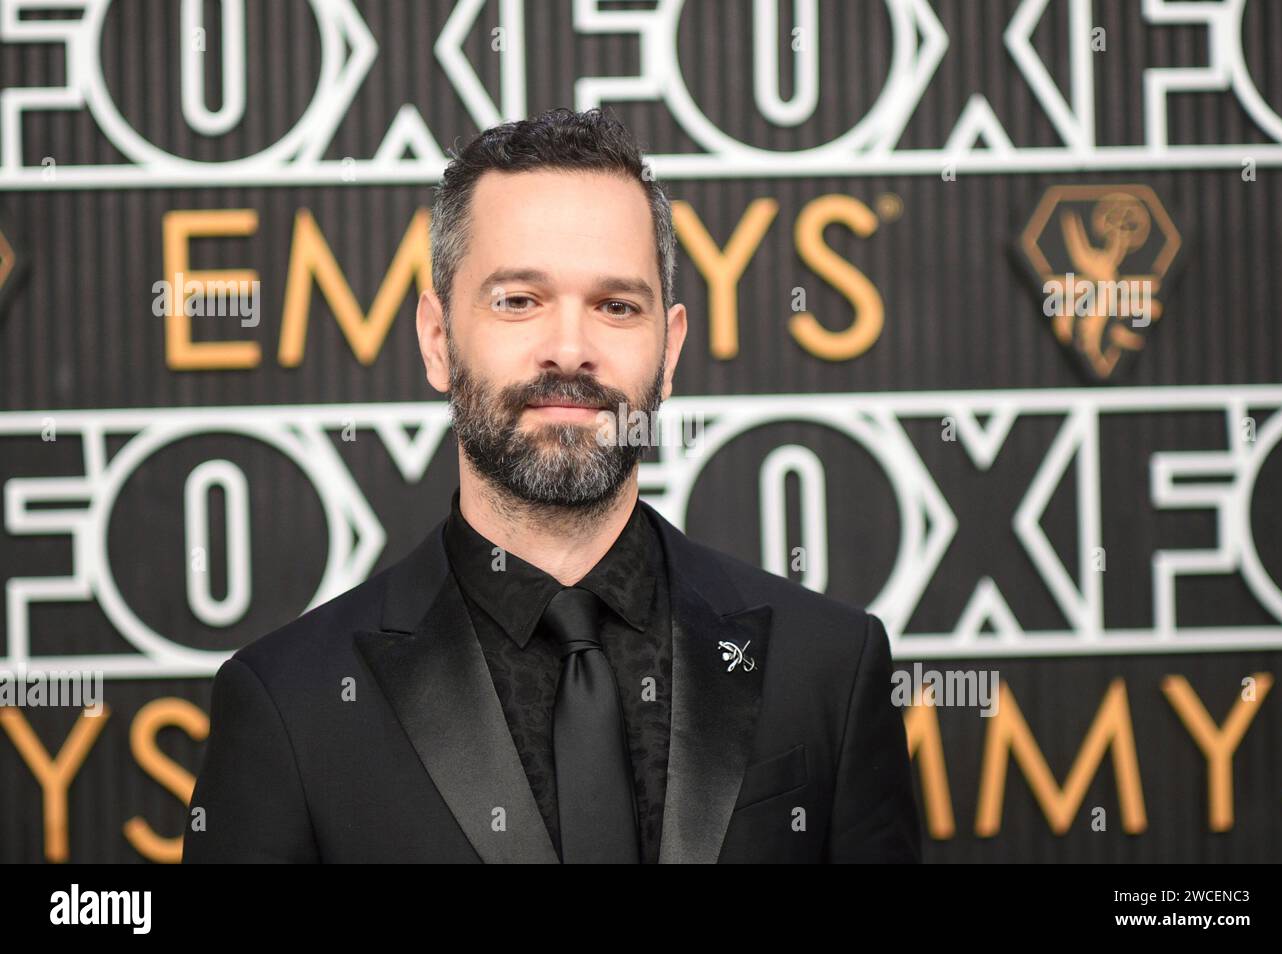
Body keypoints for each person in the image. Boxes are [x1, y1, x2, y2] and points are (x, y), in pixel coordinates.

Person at [183, 107, 921, 863]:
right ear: (437, 342)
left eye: (615, 306)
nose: (569, 350)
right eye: (518, 301)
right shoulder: (290, 706)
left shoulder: (829, 664)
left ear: (669, 354)